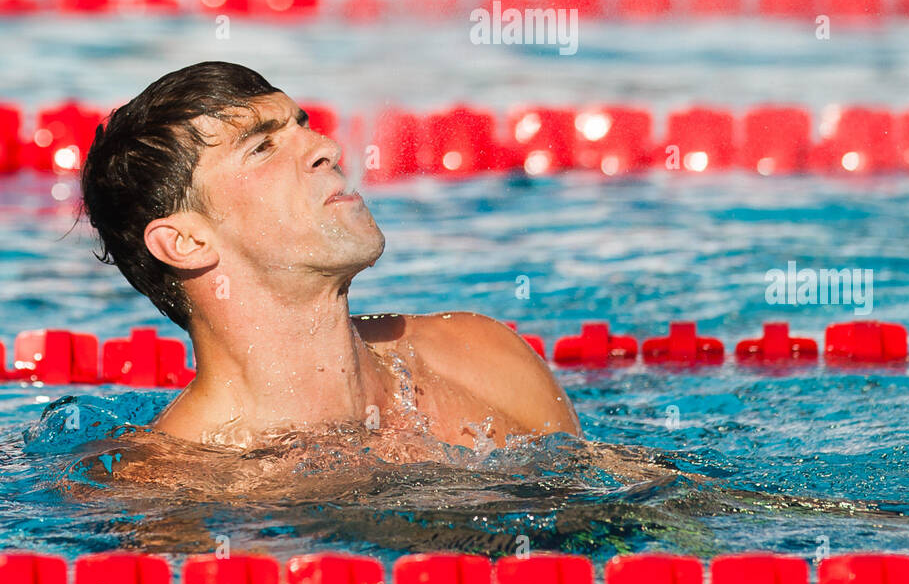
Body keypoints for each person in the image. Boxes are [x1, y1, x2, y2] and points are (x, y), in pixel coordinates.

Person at [79, 61, 581, 456]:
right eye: (261, 148)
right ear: (185, 243)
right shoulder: (180, 486)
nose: (328, 146)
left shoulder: (480, 354)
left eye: (304, 125)